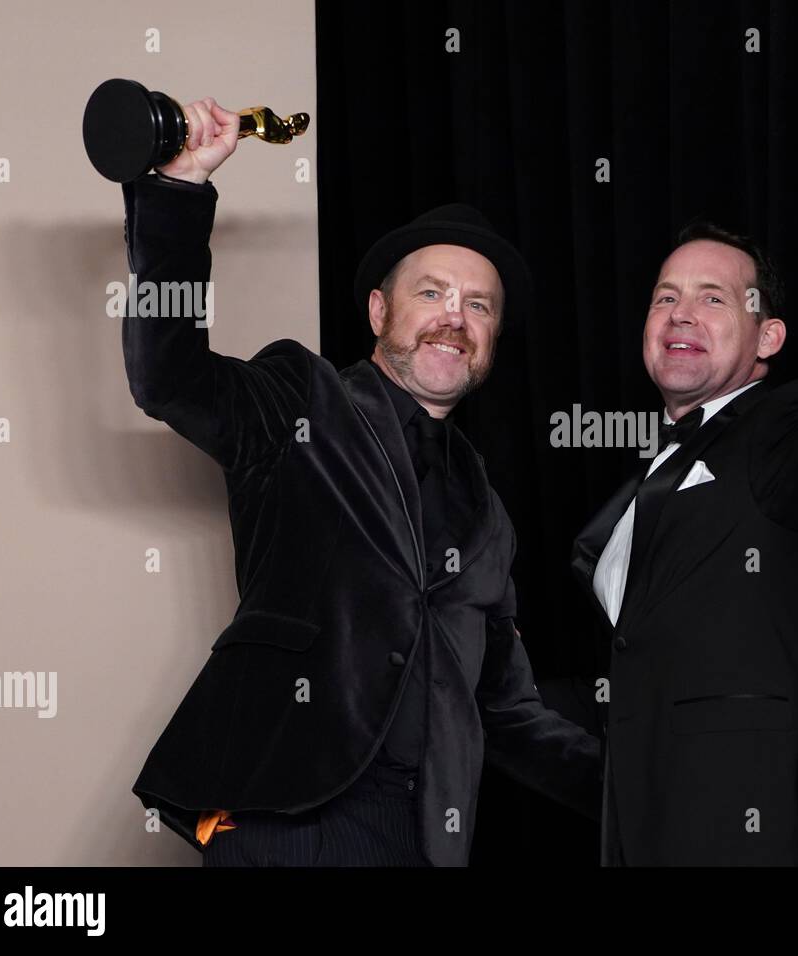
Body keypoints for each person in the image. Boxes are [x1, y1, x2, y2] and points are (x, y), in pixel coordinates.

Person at [122, 97, 600, 866]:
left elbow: (505, 710)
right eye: (432, 292)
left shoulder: (490, 517)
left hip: (419, 832)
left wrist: (644, 791)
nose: (454, 316)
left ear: (493, 340)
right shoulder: (299, 398)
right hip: (288, 816)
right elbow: (167, 377)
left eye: (478, 305)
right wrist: (178, 193)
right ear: (380, 310)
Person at [571, 193, 798, 865]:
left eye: (714, 299)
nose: (681, 313)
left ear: (769, 337)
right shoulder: (644, 483)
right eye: (664, 298)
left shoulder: (782, 423)